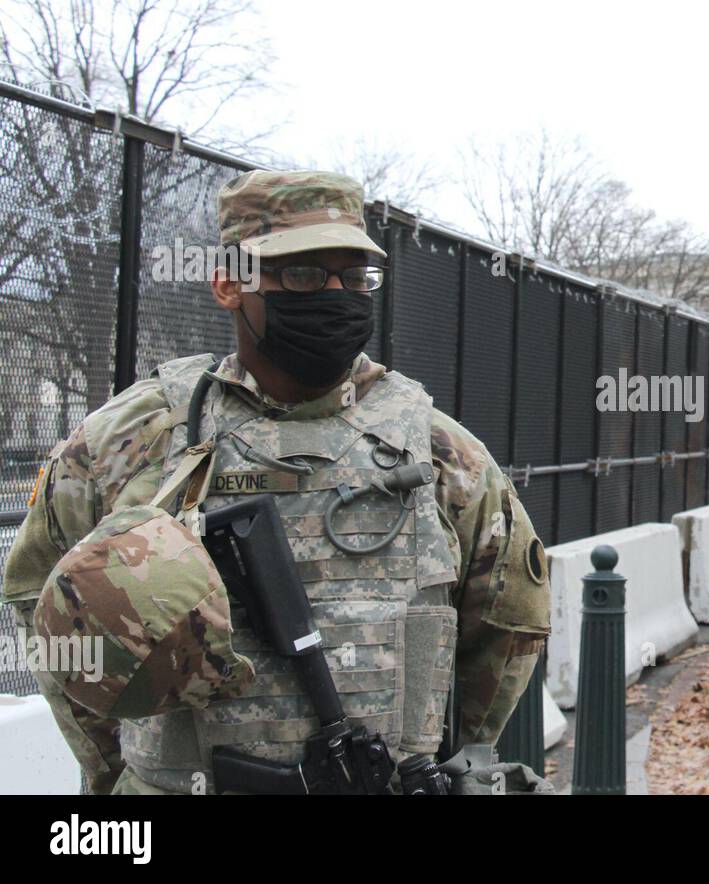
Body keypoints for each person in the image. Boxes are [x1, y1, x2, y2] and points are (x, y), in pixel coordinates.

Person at [2, 170, 552, 794]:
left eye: (355, 277)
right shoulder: (130, 440)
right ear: (228, 285)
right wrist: (124, 777)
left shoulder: (441, 451)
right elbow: (46, 610)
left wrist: (430, 760)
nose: (335, 294)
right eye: (302, 275)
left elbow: (507, 621)